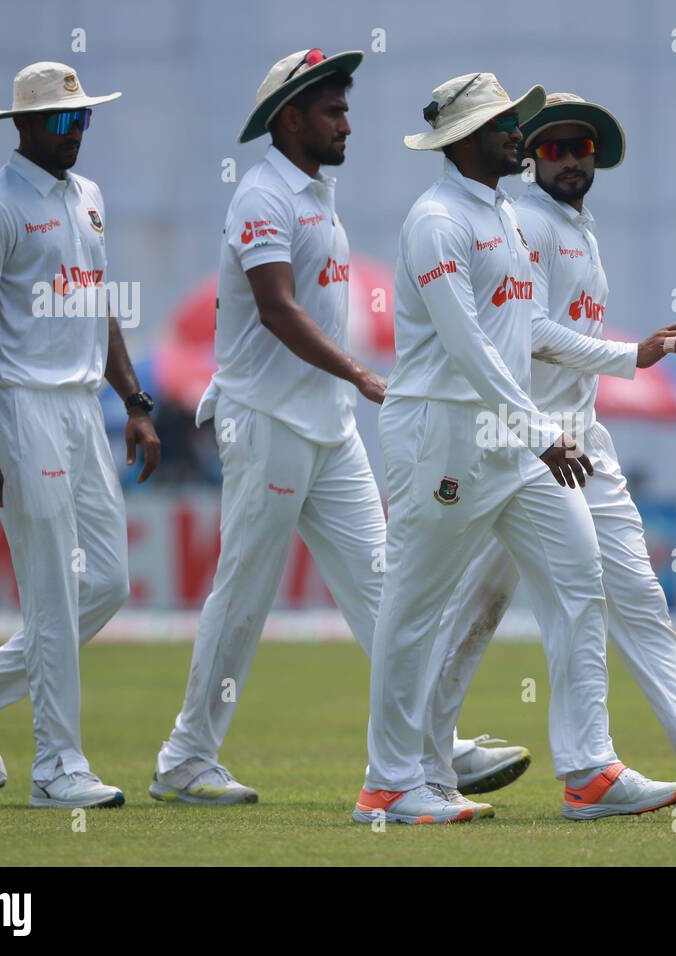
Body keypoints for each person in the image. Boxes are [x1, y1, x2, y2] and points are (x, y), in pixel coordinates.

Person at [151, 49, 523, 806]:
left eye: (345, 110)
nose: (348, 124)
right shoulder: (262, 195)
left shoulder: (317, 193)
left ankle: (426, 748)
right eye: (333, 112)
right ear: (291, 119)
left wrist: (345, 391)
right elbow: (277, 307)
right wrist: (358, 373)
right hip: (267, 421)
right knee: (245, 594)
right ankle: (186, 758)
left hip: (327, 427)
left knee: (388, 588)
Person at [421, 93, 676, 818]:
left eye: (583, 148)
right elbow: (528, 329)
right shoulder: (527, 221)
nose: (571, 159)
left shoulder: (575, 225)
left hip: (576, 441)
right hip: (522, 440)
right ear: (532, 156)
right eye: (556, 148)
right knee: (480, 602)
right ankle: (427, 760)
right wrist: (633, 354)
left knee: (634, 598)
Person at [353, 73, 676, 825]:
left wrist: (628, 356)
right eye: (507, 127)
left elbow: (525, 333)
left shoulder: (500, 215)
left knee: (579, 585)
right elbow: (468, 348)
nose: (521, 137)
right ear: (468, 140)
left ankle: (589, 772)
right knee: (414, 607)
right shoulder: (436, 220)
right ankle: (388, 784)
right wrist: (540, 431)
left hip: (509, 439)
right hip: (442, 433)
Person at [0, 61, 160, 809]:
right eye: (63, 121)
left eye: (83, 119)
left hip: (79, 408)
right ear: (25, 125)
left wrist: (133, 399)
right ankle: (57, 769)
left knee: (109, 583)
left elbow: (98, 304)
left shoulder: (88, 197)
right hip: (21, 407)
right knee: (52, 593)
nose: (76, 133)